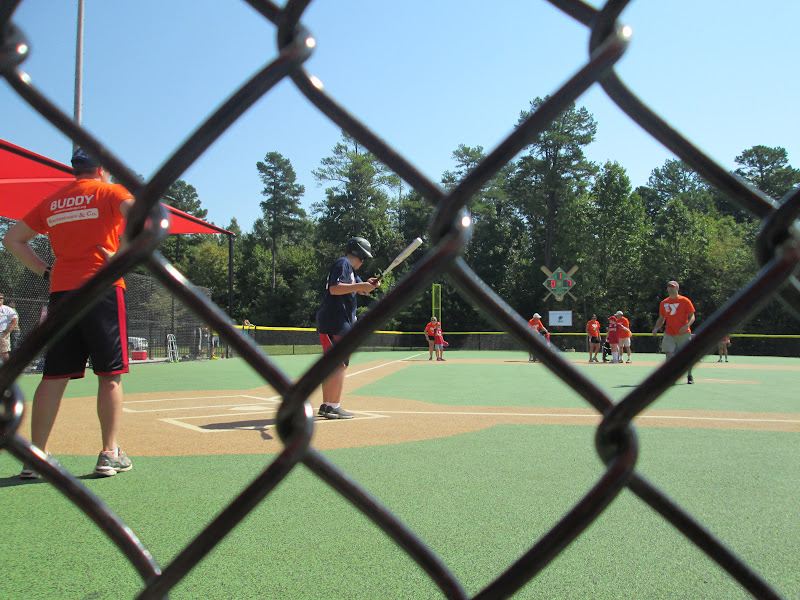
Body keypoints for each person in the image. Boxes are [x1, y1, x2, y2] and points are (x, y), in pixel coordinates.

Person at [2, 148, 136, 478]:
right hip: (102, 287)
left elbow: (13, 239)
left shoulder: (55, 200)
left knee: (54, 375)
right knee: (110, 374)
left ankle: (36, 456)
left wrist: (45, 270)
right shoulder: (110, 191)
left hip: (62, 292)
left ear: (75, 169)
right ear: (103, 168)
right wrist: (121, 253)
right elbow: (143, 217)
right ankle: (109, 453)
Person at [316, 237, 380, 419]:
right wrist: (362, 286)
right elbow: (335, 289)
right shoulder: (343, 263)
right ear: (359, 253)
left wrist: (370, 285)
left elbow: (360, 289)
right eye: (364, 257)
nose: (364, 261)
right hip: (336, 322)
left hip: (333, 321)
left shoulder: (349, 270)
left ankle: (327, 405)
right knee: (340, 365)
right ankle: (334, 406)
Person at [652, 280, 696, 384]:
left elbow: (692, 316)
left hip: (684, 333)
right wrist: (656, 328)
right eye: (669, 287)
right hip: (669, 333)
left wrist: (687, 325)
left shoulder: (685, 301)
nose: (670, 288)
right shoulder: (664, 303)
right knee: (668, 354)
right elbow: (661, 318)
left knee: (686, 354)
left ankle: (689, 375)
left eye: (672, 287)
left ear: (677, 288)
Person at [0, 293, 19, 362]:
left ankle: (8, 369)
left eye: (1, 298)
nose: (0, 300)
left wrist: (9, 329)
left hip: (2, 334)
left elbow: (15, 318)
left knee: (4, 353)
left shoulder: (7, 309)